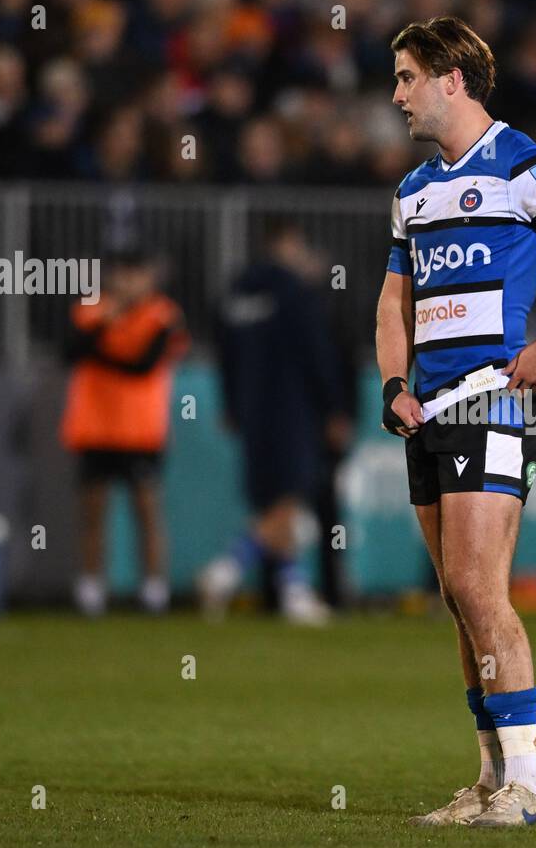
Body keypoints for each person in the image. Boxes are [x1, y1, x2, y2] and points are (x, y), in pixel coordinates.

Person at [376, 17, 536, 827]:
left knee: (481, 586)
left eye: (407, 76)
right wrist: (392, 383)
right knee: (458, 595)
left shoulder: (527, 165)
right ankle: (488, 780)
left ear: (452, 79)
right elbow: (395, 300)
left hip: (497, 398)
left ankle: (528, 784)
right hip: (432, 409)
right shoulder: (414, 191)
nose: (397, 94)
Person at [197, 222, 351, 624]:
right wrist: (333, 407)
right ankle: (226, 569)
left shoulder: (236, 293)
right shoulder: (295, 292)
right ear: (286, 243)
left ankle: (293, 589)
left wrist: (231, 404)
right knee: (291, 498)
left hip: (250, 410)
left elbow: (224, 355)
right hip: (293, 409)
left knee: (272, 499)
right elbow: (317, 353)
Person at [60, 249, 189, 616]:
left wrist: (98, 349)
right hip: (95, 428)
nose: (129, 283)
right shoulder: (91, 310)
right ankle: (90, 590)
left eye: (137, 275)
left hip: (139, 432)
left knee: (146, 512)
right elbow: (70, 352)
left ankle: (153, 591)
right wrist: (105, 323)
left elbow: (143, 364)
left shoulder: (164, 316)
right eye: (123, 274)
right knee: (92, 512)